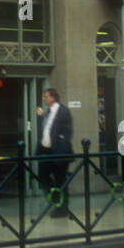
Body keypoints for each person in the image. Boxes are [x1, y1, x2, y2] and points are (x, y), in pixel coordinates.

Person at [35, 87, 73, 217]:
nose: (43, 99)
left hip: (59, 152)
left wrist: (61, 151)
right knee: (42, 176)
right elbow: (46, 131)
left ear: (53, 97)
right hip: (46, 152)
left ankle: (62, 208)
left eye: (45, 96)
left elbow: (66, 134)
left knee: (60, 181)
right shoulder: (48, 112)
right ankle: (57, 199)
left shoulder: (63, 111)